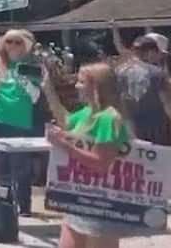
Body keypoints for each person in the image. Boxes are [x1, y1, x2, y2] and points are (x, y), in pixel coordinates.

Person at [41, 62, 137, 246]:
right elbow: (66, 122)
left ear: (97, 86)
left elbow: (101, 163)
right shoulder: (88, 112)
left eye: (81, 82)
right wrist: (48, 89)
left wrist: (64, 145)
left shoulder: (108, 118)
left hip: (102, 203)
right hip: (79, 196)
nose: (76, 86)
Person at [0, 29, 42, 215]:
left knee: (21, 165)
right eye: (9, 42)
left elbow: (35, 97)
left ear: (24, 46)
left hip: (21, 120)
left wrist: (25, 82)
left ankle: (24, 207)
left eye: (17, 42)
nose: (13, 46)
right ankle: (4, 205)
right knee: (1, 164)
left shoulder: (31, 66)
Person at [115, 34, 171, 145]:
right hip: (155, 127)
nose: (159, 57)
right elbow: (167, 103)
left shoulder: (117, 71)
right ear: (150, 52)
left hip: (128, 126)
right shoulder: (156, 73)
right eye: (157, 53)